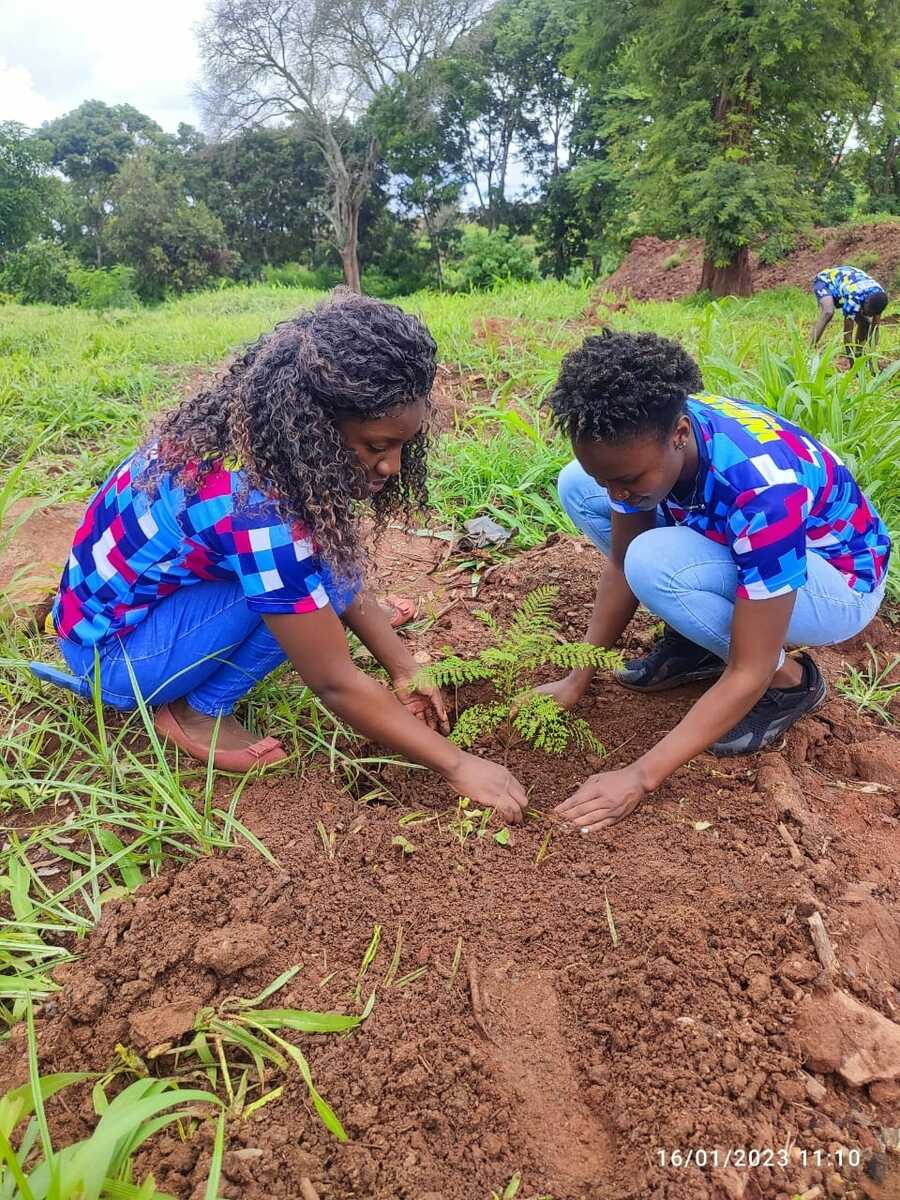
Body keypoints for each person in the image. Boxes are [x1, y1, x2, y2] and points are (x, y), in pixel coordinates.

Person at [49, 291, 528, 821]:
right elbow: (333, 682)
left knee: (307, 565)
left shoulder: (247, 436)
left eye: (401, 447)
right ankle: (195, 711)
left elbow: (329, 562)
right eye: (376, 446)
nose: (391, 466)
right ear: (316, 426)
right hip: (116, 661)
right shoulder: (257, 509)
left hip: (107, 616)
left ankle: (209, 676)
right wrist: (459, 765)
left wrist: (404, 667)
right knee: (297, 581)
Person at [540, 330, 890, 833]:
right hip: (750, 539)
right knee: (577, 484)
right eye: (610, 481)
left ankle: (792, 684)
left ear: (679, 433)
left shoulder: (763, 492)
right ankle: (697, 643)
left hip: (836, 581)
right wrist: (577, 678)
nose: (616, 491)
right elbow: (619, 563)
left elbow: (746, 669)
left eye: (628, 480)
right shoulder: (643, 433)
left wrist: (638, 777)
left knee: (657, 565)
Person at [811, 265, 888, 356]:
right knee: (828, 311)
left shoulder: (879, 299)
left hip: (850, 281)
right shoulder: (854, 298)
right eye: (867, 312)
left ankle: (859, 353)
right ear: (866, 303)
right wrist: (853, 365)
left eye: (872, 314)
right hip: (826, 280)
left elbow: (875, 330)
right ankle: (809, 350)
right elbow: (847, 335)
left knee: (865, 323)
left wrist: (871, 356)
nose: (869, 315)